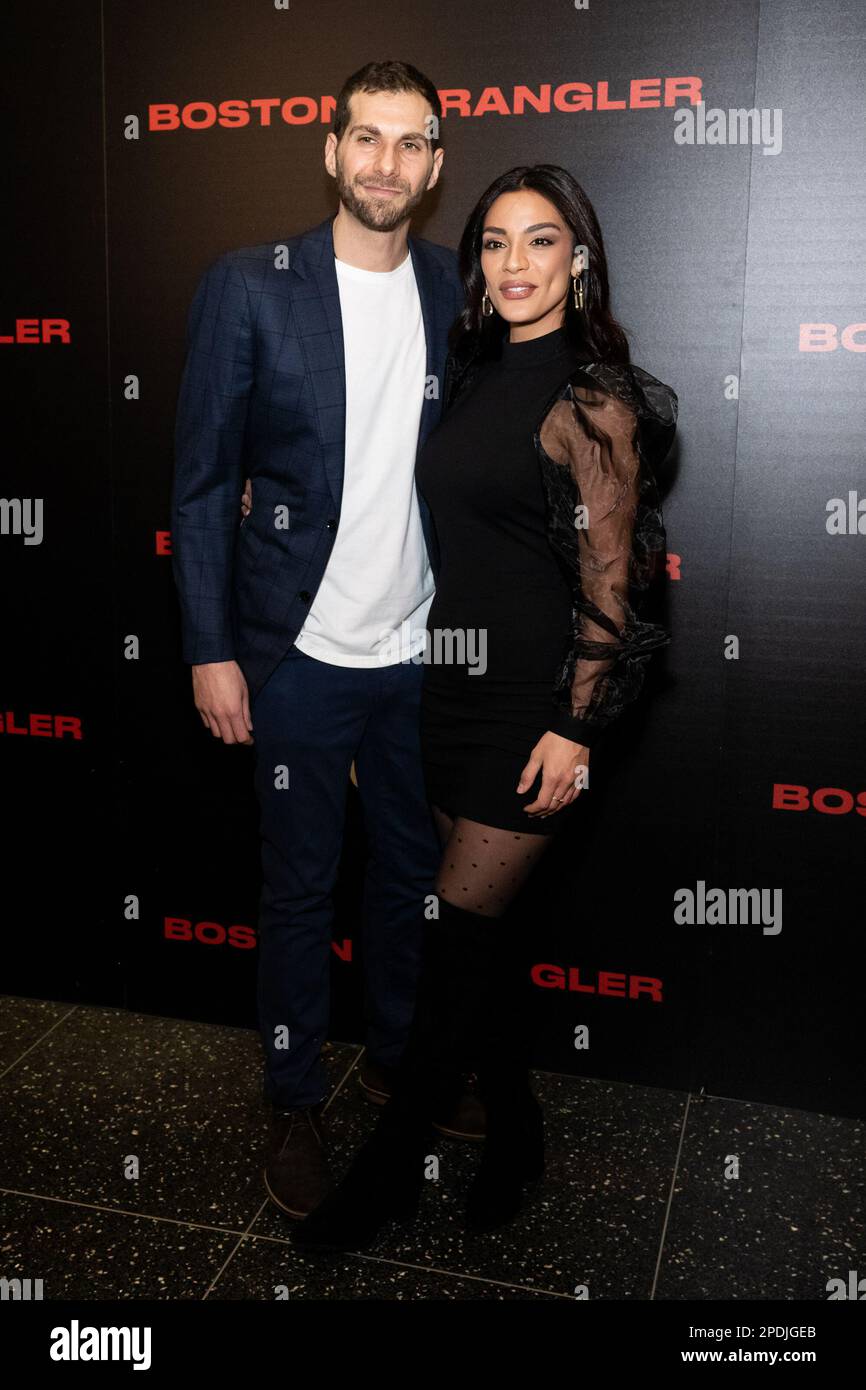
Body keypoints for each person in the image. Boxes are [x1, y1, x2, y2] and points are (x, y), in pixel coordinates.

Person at [284, 164, 678, 1252]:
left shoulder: (592, 398)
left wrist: (574, 726)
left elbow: (613, 585)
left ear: (578, 258)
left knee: (457, 940)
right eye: (494, 243)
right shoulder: (466, 373)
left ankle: (390, 1168)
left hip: (532, 706)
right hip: (443, 690)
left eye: (539, 242)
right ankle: (513, 1128)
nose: (513, 264)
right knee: (486, 944)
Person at [170, 61, 481, 1224]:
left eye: (410, 143)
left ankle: (397, 1058)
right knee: (300, 888)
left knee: (410, 875)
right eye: (366, 138)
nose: (384, 163)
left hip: (417, 658)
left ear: (436, 165)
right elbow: (203, 483)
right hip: (294, 655)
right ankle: (294, 1094)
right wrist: (212, 649)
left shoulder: (459, 291)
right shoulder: (252, 285)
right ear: (330, 150)